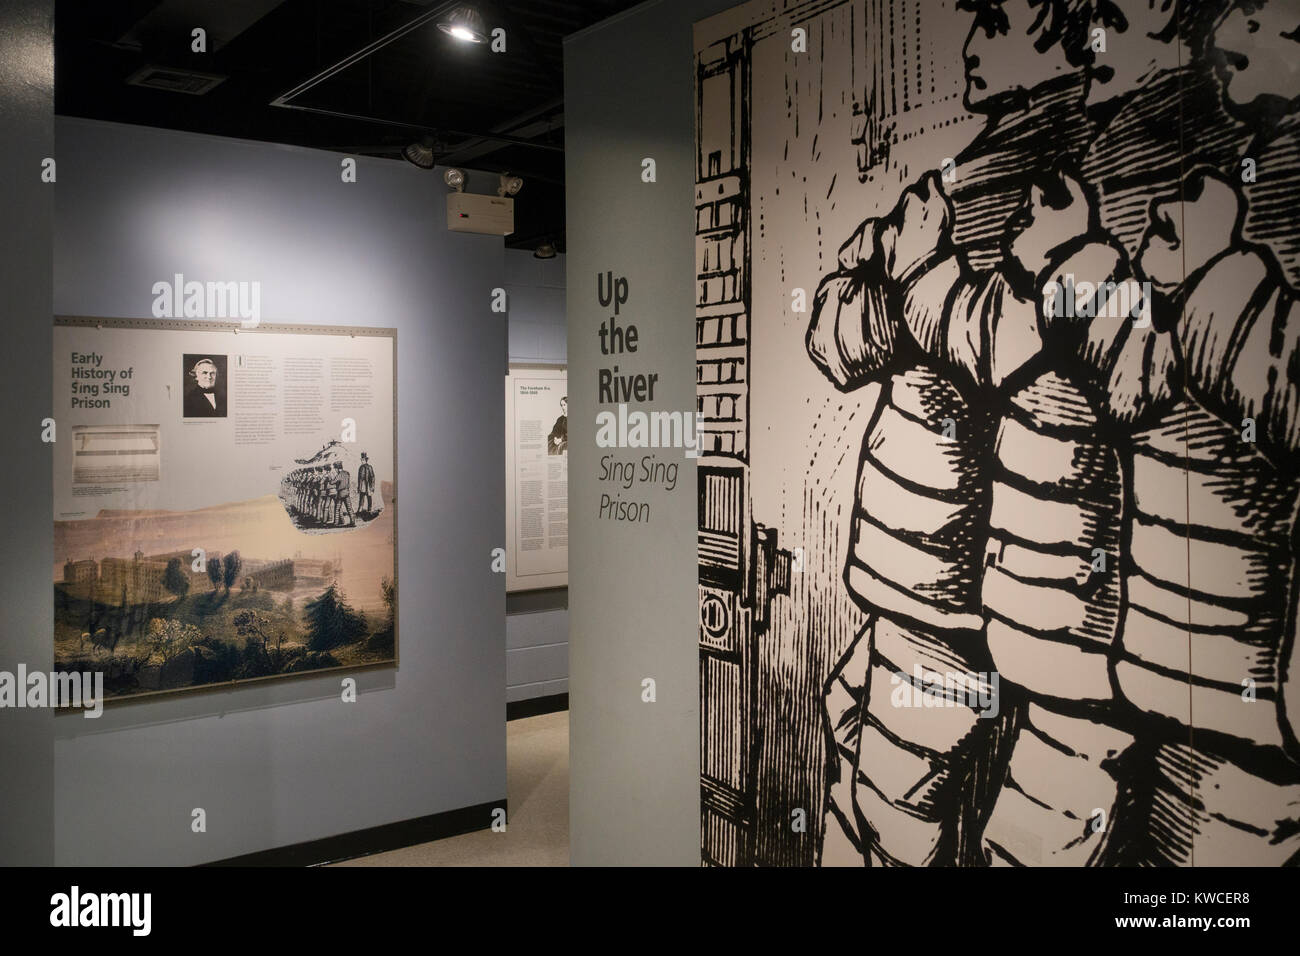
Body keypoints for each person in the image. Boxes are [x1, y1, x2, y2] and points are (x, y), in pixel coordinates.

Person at [331, 462, 355, 528]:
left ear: (337, 468)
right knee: (349, 508)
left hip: (341, 493)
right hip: (347, 492)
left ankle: (336, 523)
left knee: (337, 508)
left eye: (335, 468)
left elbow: (332, 482)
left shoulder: (339, 475)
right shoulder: (347, 473)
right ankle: (353, 522)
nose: (335, 470)